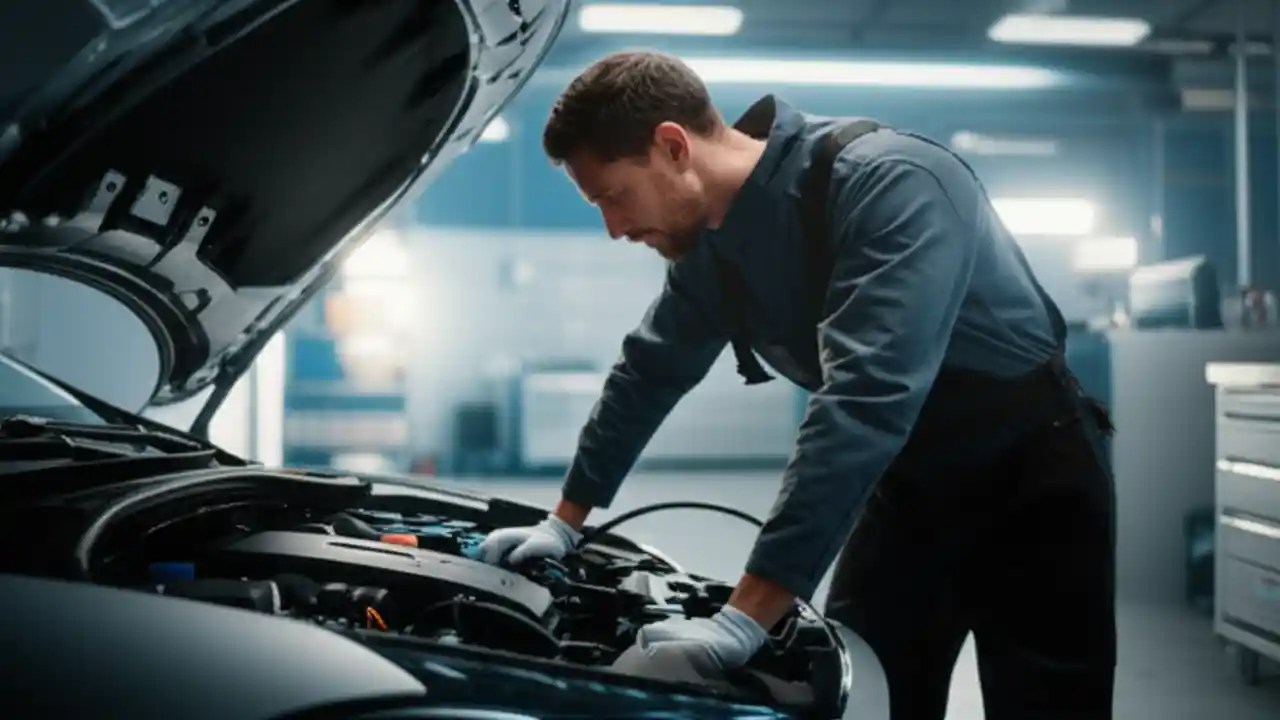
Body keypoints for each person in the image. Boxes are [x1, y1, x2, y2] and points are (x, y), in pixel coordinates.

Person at [477, 50, 1116, 719]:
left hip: (1031, 482)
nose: (613, 229)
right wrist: (564, 522)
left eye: (613, 196)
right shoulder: (714, 245)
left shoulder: (892, 184)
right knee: (860, 693)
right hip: (909, 482)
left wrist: (743, 620)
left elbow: (864, 401)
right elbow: (648, 372)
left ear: (673, 147)